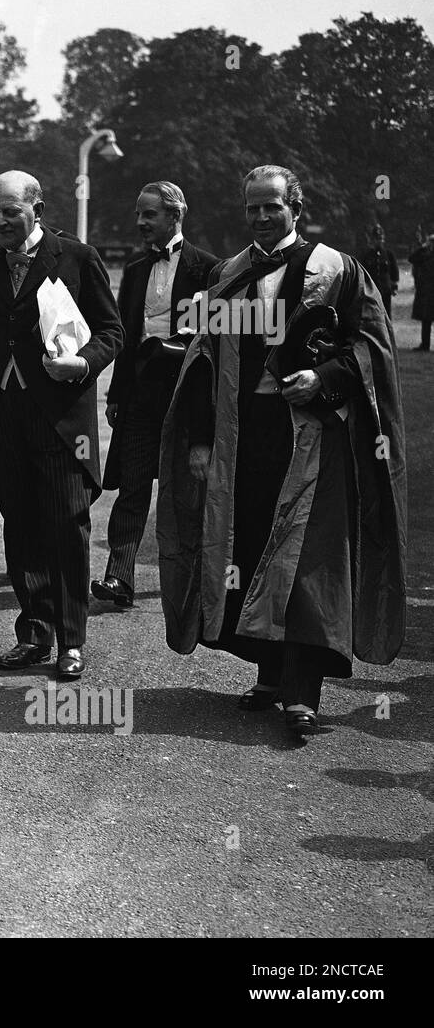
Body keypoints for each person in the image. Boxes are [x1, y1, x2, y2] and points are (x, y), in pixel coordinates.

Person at [157, 165, 406, 737]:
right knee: (248, 548)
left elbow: (369, 351)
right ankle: (269, 675)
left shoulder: (336, 270)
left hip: (313, 440)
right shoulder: (227, 275)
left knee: (305, 563)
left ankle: (302, 691)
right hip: (243, 439)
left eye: (273, 206)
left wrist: (323, 380)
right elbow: (199, 362)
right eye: (253, 208)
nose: (263, 217)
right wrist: (198, 440)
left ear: (296, 206)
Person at [0, 170, 123, 679]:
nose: (0, 221)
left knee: (67, 527)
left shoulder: (78, 259)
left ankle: (71, 641)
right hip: (5, 420)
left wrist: (84, 363)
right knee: (21, 528)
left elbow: (112, 331)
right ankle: (34, 634)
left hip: (62, 421)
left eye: (11, 211)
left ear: (37, 209)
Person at [93, 182, 217, 607]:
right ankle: (119, 578)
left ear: (175, 216)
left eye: (150, 215)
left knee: (188, 491)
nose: (141, 223)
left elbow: (210, 348)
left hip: (187, 396)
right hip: (140, 398)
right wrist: (115, 394)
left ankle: (192, 578)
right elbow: (125, 335)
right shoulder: (133, 267)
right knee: (132, 486)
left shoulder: (209, 270)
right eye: (139, 214)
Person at [358, 224, 399, 317]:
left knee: (386, 314)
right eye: (377, 239)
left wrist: (394, 287)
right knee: (373, 315)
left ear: (383, 239)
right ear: (373, 240)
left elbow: (394, 272)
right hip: (372, 289)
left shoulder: (389, 254)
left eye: (380, 239)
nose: (379, 241)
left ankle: (388, 331)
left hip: (385, 290)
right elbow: (362, 272)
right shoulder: (367, 254)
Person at [408, 230, 434, 350]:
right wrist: (422, 247)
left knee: (427, 319)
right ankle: (425, 344)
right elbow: (412, 258)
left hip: (429, 291)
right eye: (431, 242)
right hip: (426, 291)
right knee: (426, 319)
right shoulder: (425, 254)